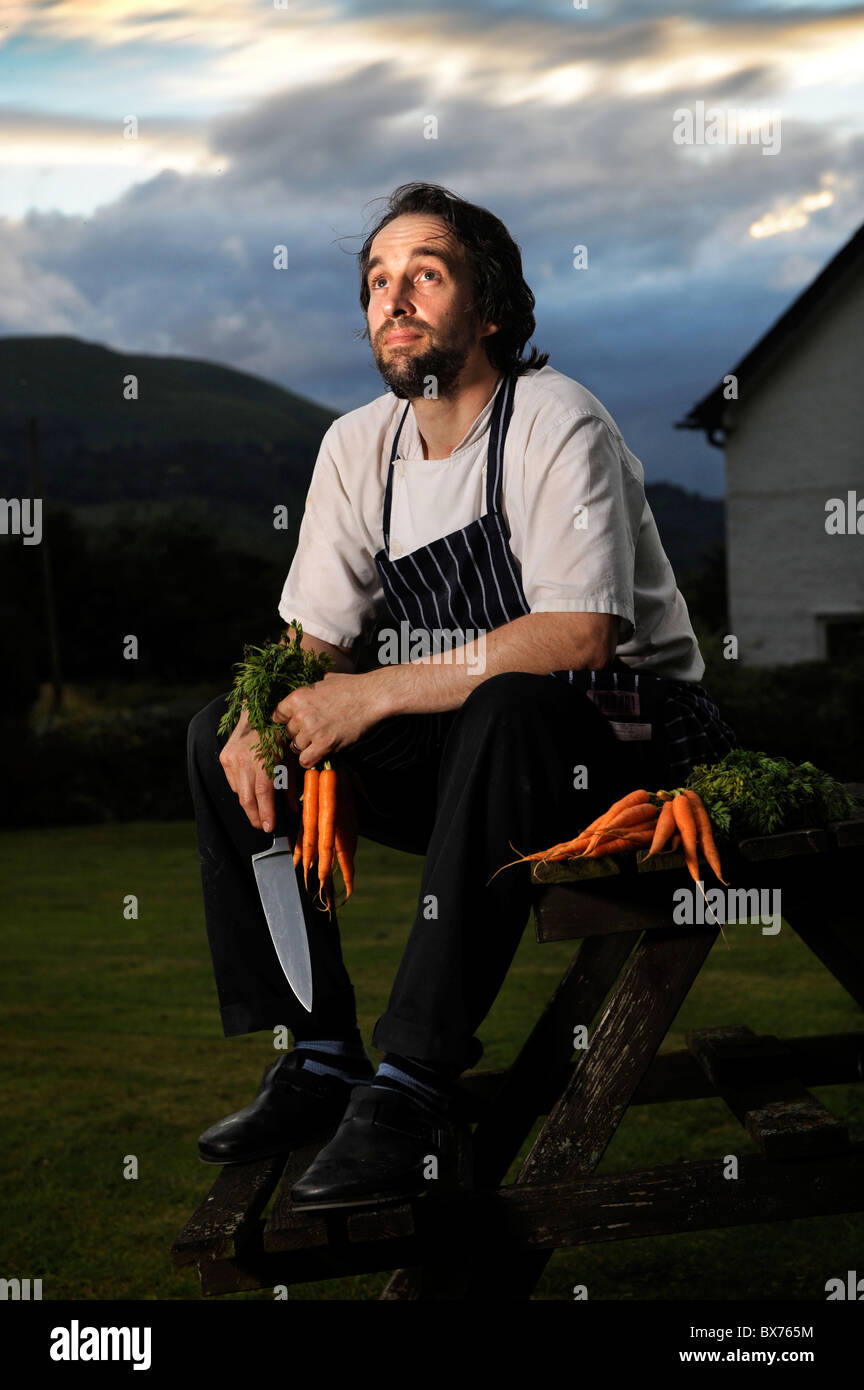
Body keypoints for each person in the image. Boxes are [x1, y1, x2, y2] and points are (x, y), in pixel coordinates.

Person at [187, 181, 736, 1210]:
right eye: (378, 281)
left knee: (510, 702)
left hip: (620, 748)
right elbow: (311, 645)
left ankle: (416, 1088)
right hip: (471, 756)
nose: (394, 298)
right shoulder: (358, 447)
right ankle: (319, 1055)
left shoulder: (556, 419)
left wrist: (374, 693)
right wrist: (275, 707)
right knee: (226, 732)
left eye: (425, 275)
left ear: (488, 308)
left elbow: (578, 634)